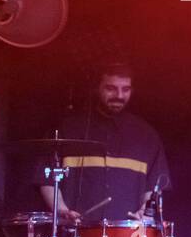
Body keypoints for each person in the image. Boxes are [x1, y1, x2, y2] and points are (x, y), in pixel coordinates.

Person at [37, 63, 172, 225]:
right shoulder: (68, 128)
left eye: (126, 89)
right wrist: (62, 210)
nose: (119, 95)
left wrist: (146, 211)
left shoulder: (146, 135)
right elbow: (45, 178)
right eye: (111, 88)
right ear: (96, 88)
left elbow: (154, 185)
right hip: (73, 233)